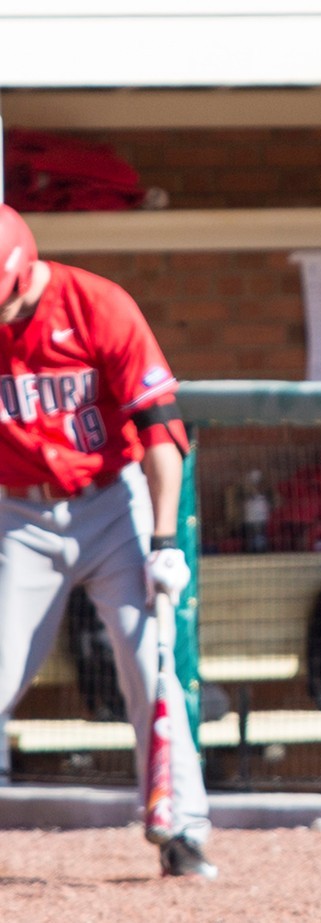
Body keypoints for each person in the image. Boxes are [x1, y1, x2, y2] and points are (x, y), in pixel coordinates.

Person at [0, 203, 215, 878]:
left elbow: (161, 433)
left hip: (111, 504)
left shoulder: (97, 304)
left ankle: (181, 828)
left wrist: (163, 539)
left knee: (149, 667)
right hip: (19, 515)